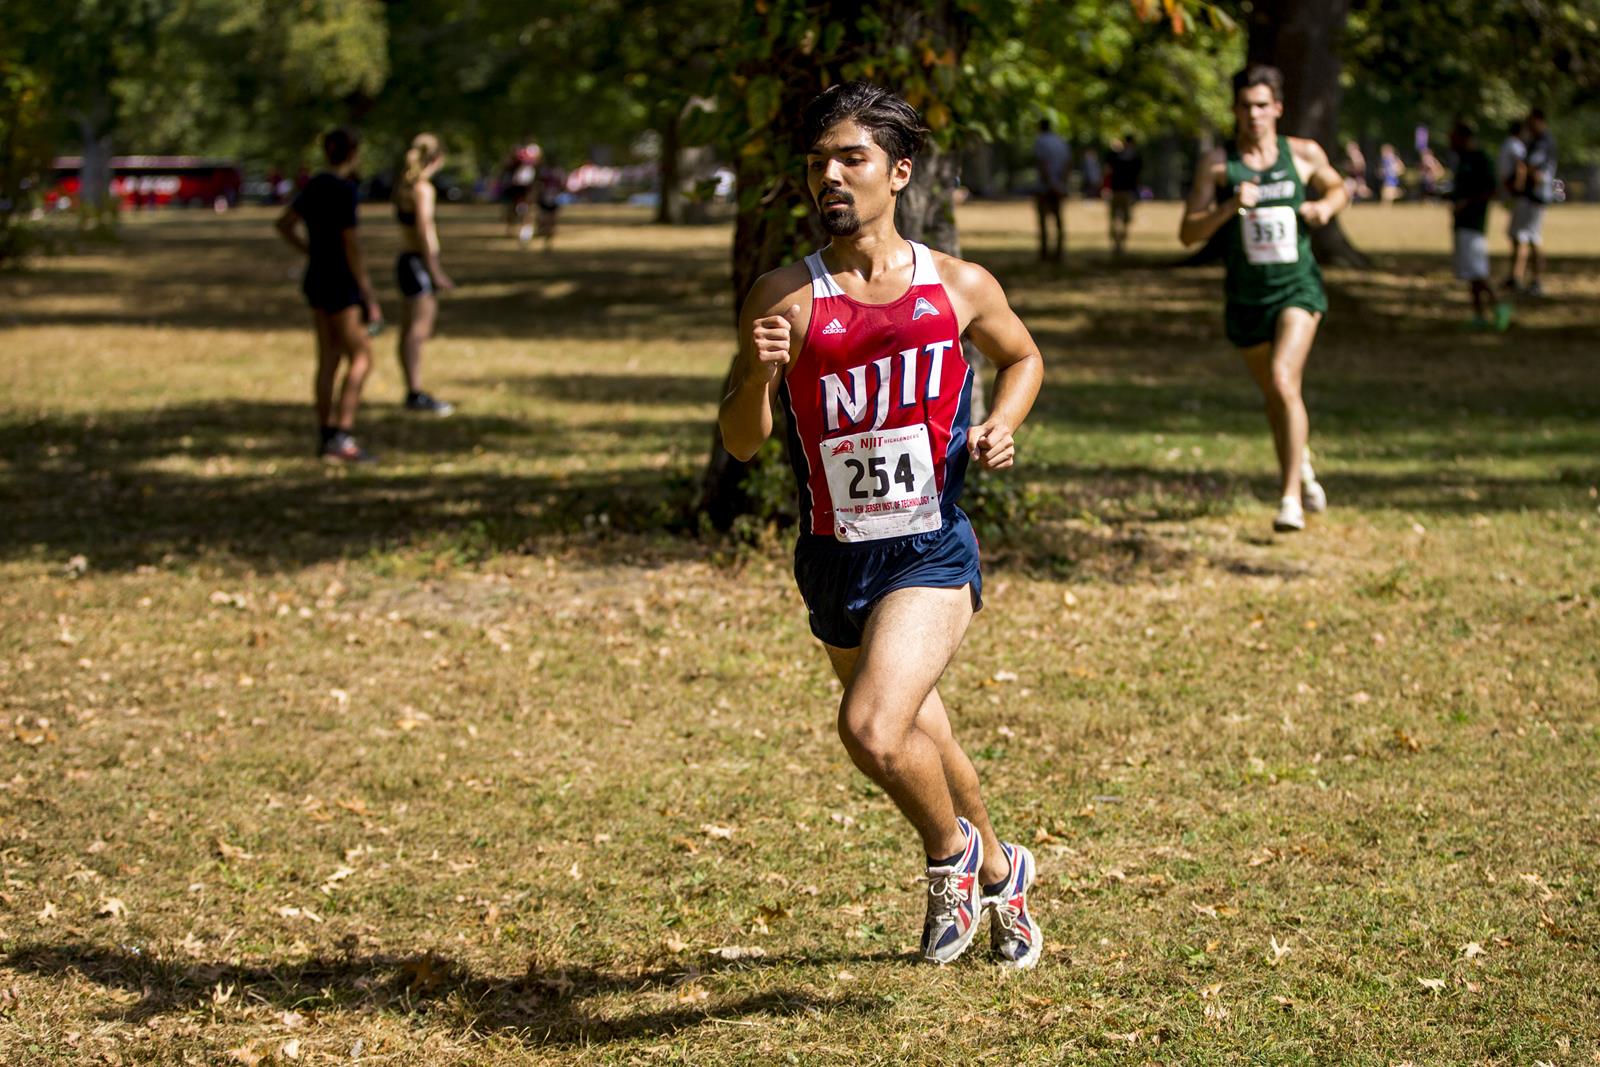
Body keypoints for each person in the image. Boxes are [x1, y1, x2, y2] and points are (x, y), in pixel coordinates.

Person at [718, 82, 1046, 967]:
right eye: (819, 160)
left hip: (931, 548)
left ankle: (952, 857)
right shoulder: (783, 296)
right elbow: (742, 442)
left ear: (897, 172)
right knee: (923, 735)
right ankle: (1005, 869)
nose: (830, 175)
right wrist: (756, 375)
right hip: (832, 558)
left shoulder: (959, 285)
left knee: (871, 727)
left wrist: (1003, 423)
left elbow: (1022, 357)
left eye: (851, 158)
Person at [1179, 64, 1348, 533]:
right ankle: (1302, 463)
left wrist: (1323, 207)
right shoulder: (1217, 164)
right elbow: (1187, 233)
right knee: (1276, 394)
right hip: (1246, 296)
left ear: (1277, 107)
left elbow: (1338, 186)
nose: (1253, 114)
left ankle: (1290, 497)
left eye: (1261, 105)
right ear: (1234, 111)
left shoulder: (1303, 153)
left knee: (1283, 377)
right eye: (1245, 106)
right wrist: (1230, 206)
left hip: (1297, 287)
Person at [274, 128, 382, 463]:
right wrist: (368, 294)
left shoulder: (315, 185)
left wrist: (310, 250)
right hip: (341, 281)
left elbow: (284, 224)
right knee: (362, 357)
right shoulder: (344, 190)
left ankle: (325, 434)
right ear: (353, 153)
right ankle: (342, 434)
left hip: (317, 278)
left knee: (328, 360)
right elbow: (351, 245)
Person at [393, 133, 456, 416]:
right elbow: (424, 230)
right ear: (437, 158)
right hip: (418, 263)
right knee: (418, 332)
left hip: (406, 261)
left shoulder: (404, 187)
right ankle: (415, 391)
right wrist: (435, 271)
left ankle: (412, 389)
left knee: (409, 331)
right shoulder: (423, 189)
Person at [1448, 123, 1510, 331]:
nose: (1451, 143)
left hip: (1474, 223)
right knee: (1470, 274)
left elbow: (1491, 189)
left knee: (1477, 272)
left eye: (1454, 138)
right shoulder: (1463, 159)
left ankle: (1499, 307)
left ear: (1464, 137)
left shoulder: (1480, 160)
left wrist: (1468, 203)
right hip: (1461, 222)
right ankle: (1479, 315)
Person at [1511, 109, 1556, 296]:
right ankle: (1516, 277)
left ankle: (1536, 280)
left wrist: (1521, 177)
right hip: (1529, 196)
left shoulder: (1543, 143)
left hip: (1536, 197)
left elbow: (1533, 170)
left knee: (1533, 238)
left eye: (1530, 123)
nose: (1528, 127)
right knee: (1524, 236)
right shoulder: (1535, 141)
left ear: (1539, 121)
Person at [1032, 118, 1070, 262]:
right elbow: (1068, 164)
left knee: (1043, 222)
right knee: (1059, 221)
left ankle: (1045, 253)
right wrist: (1062, 184)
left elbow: (1042, 164)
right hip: (1059, 186)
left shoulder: (1040, 141)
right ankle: (1059, 253)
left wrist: (1051, 184)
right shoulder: (1060, 141)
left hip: (1045, 188)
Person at [1496, 119, 1527, 286]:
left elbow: (1521, 167)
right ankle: (1514, 275)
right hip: (1512, 195)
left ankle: (1516, 276)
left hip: (1514, 196)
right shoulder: (1515, 145)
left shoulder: (1512, 145)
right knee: (1515, 234)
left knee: (1519, 235)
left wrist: (1516, 189)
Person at [1107, 135, 1143, 258]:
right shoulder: (1121, 157)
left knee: (1123, 219)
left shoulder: (1128, 158)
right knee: (1116, 219)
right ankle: (1117, 243)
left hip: (1124, 192)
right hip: (1119, 191)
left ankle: (1120, 243)